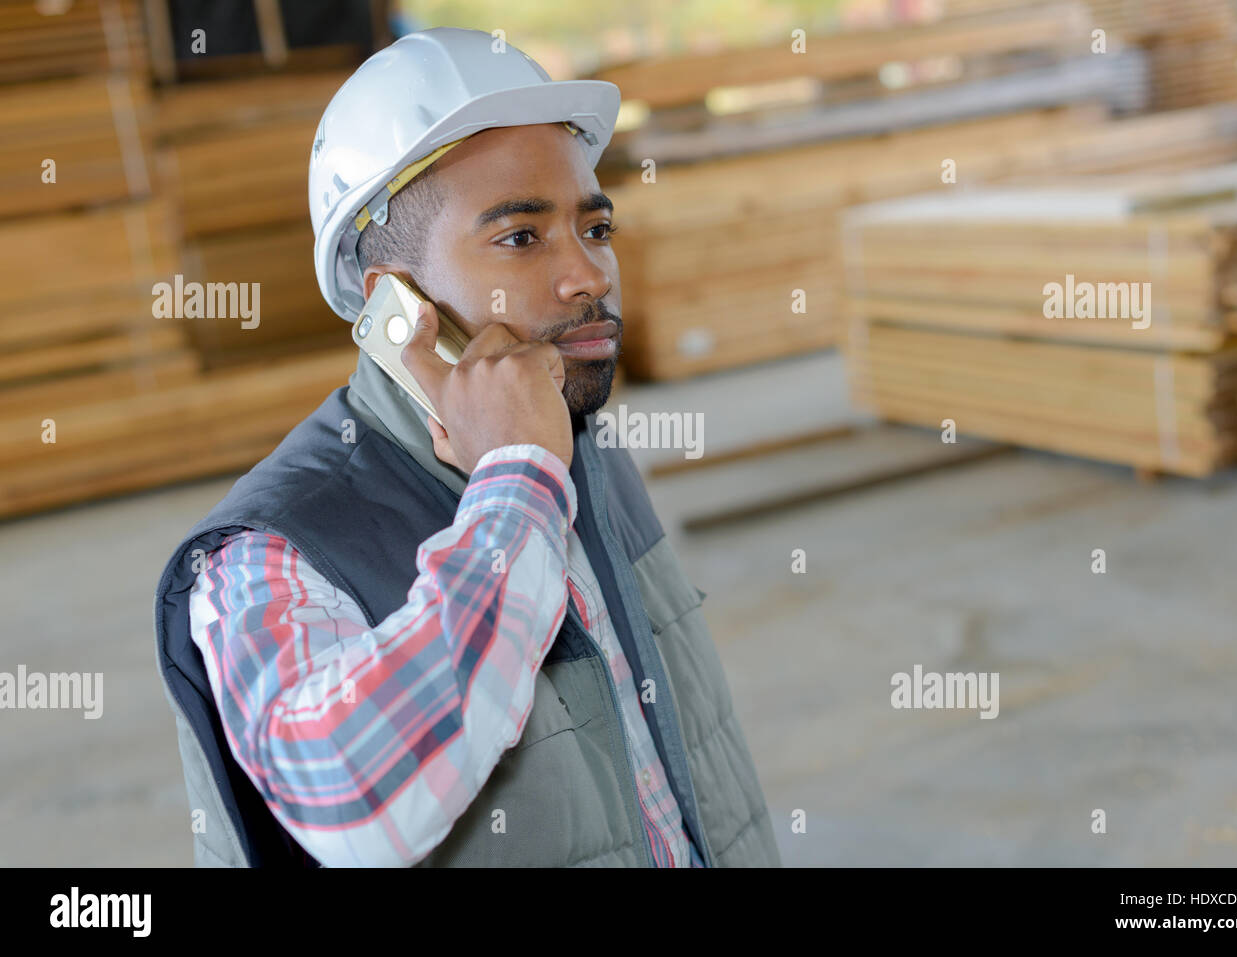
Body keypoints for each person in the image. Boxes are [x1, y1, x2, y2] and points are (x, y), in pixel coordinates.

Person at [153, 26, 782, 868]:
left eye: (594, 229)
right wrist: (514, 482)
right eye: (522, 238)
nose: (590, 275)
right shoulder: (271, 552)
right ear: (393, 305)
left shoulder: (581, 449)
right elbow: (354, 804)